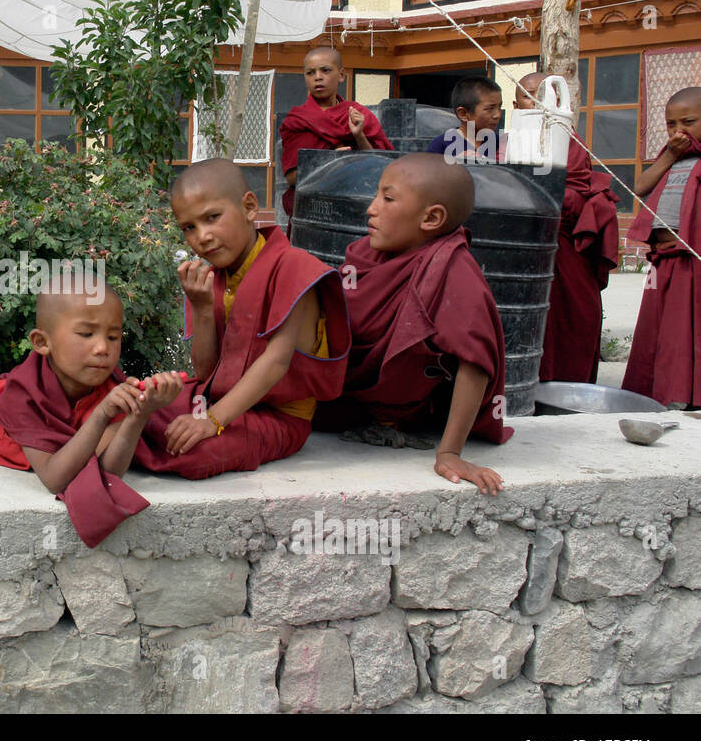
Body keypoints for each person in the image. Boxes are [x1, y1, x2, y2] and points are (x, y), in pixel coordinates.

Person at [130, 159, 351, 479]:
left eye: (212, 218)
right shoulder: (216, 276)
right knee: (132, 404)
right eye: (189, 228)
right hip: (215, 400)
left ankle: (117, 446)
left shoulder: (293, 267)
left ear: (249, 207)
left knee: (192, 452)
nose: (202, 237)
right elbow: (205, 372)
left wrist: (211, 421)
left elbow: (276, 362)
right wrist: (203, 309)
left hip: (278, 417)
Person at [315, 153, 512, 495]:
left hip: (414, 414)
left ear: (431, 218)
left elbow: (476, 360)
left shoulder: (452, 270)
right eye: (376, 195)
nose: (370, 209)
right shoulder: (367, 254)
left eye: (387, 199)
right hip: (348, 405)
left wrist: (449, 452)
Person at [0, 275, 184, 547]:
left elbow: (109, 470)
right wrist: (101, 415)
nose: (102, 348)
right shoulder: (21, 397)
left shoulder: (111, 387)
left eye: (114, 336)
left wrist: (138, 415)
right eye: (85, 334)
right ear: (41, 343)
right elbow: (55, 477)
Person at [514, 72, 620, 383]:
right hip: (521, 245)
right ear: (516, 104)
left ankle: (568, 387)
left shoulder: (569, 138)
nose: (538, 102)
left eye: (546, 94)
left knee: (573, 316)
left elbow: (576, 190)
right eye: (529, 95)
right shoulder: (507, 140)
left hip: (564, 244)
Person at [622, 86, 701, 408]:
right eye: (671, 124)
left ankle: (688, 396)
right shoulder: (671, 158)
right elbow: (640, 187)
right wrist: (669, 154)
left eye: (689, 122)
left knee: (687, 331)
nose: (679, 131)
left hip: (691, 255)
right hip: (663, 256)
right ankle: (658, 392)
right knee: (661, 330)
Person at [279, 46, 393, 226]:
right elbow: (292, 177)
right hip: (314, 212)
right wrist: (334, 161)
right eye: (310, 72)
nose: (318, 77)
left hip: (357, 210)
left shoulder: (359, 115)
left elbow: (382, 168)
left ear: (341, 75)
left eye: (325, 70)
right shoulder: (298, 120)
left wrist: (359, 136)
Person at [425, 76, 504, 162]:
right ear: (463, 114)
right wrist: (458, 164)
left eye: (499, 107)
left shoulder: (499, 144)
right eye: (489, 109)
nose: (497, 115)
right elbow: (429, 174)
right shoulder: (441, 145)